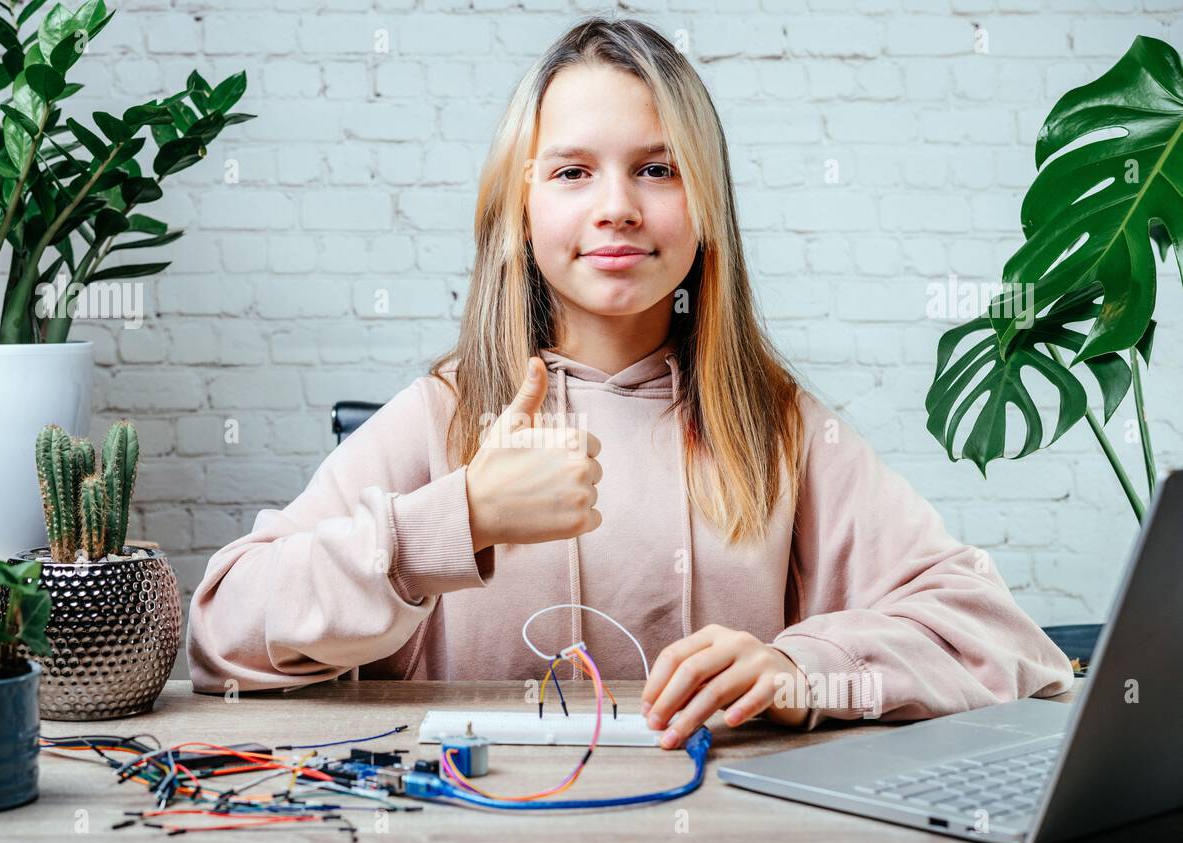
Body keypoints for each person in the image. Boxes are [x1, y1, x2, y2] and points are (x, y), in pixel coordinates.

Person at [188, 16, 1073, 748]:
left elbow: (1001, 635)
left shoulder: (779, 429)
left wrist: (803, 668)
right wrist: (458, 520)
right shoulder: (440, 418)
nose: (617, 204)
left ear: (708, 206)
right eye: (573, 172)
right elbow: (222, 635)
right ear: (520, 208)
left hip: (726, 836)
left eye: (657, 169)